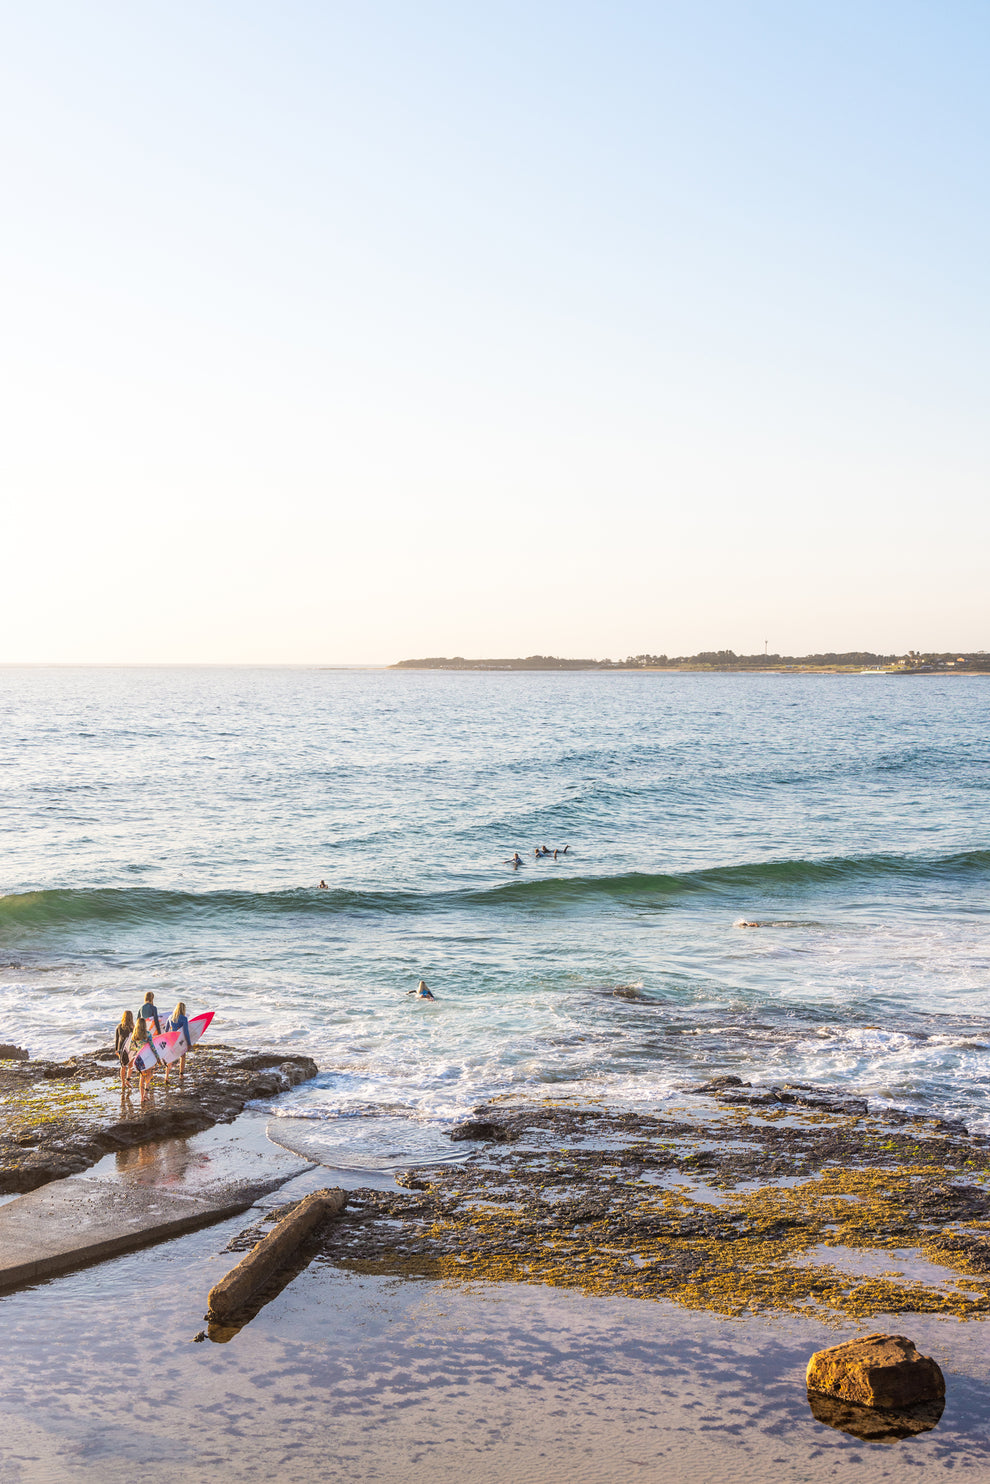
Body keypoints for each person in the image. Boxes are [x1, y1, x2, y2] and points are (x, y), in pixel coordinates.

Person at [128, 1017, 156, 1102]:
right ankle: (146, 1094)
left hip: (139, 1058)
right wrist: (157, 1057)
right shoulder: (148, 1034)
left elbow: (131, 1047)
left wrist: (138, 1049)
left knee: (142, 1077)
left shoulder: (134, 1035)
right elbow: (152, 1047)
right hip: (148, 1057)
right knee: (149, 1075)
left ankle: (142, 1097)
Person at [164, 1001, 190, 1086]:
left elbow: (166, 1030)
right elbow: (186, 1032)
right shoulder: (184, 1018)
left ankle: (166, 1077)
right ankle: (181, 1075)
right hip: (179, 1041)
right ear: (183, 1010)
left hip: (171, 1040)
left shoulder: (170, 1017)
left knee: (170, 1058)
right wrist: (189, 1043)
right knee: (182, 1056)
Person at [114, 1010, 135, 1092]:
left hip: (121, 1049)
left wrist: (116, 1049)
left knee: (123, 1067)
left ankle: (123, 1083)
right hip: (130, 1049)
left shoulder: (119, 1027)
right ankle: (127, 1081)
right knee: (130, 1066)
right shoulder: (133, 1028)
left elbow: (117, 1039)